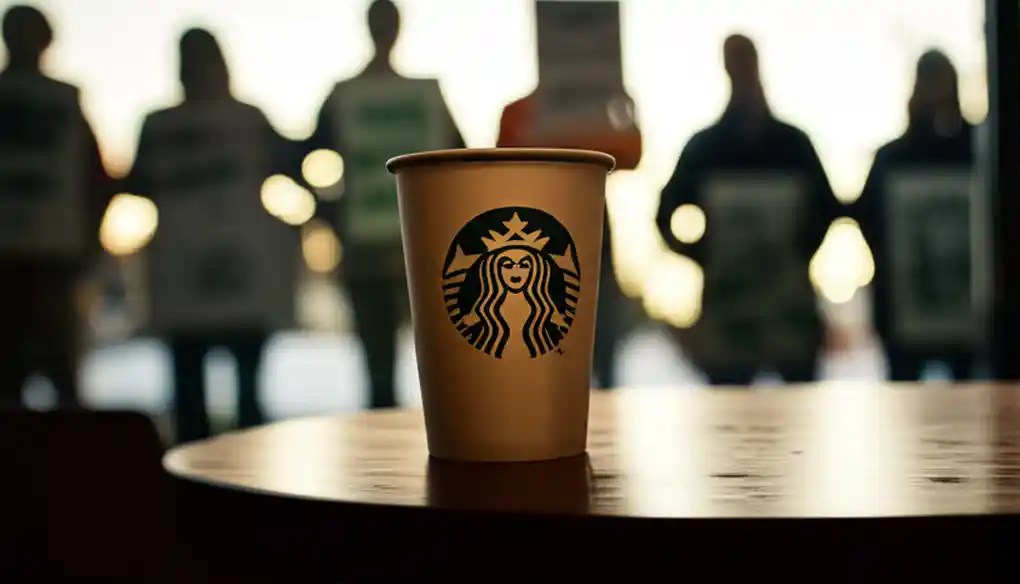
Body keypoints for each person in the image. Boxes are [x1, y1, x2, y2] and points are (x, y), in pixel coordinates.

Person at [127, 29, 299, 441]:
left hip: (221, 271)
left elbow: (134, 184)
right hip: (211, 272)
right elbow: (295, 166)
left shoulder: (165, 124)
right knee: (201, 403)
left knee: (234, 402)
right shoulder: (246, 119)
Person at [656, 34, 840, 385]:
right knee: (730, 419)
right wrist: (704, 255)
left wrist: (798, 253)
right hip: (730, 313)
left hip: (788, 312)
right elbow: (665, 214)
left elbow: (828, 209)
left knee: (798, 416)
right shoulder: (706, 147)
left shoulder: (791, 144)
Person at [307, 0, 465, 409]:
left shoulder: (351, 95)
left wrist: (326, 210)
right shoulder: (408, 96)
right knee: (421, 360)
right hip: (394, 246)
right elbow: (459, 156)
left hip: (387, 245)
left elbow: (301, 158)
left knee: (401, 363)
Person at [496, 72, 642, 389]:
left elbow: (631, 156)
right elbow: (504, 169)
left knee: (601, 350)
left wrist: (628, 110)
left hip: (591, 241)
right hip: (540, 244)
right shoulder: (521, 114)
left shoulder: (597, 112)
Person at [0, 5, 111, 407]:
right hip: (34, 259)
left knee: (59, 377)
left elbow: (96, 179)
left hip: (54, 258)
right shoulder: (64, 101)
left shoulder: (64, 100)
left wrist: (90, 242)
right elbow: (98, 180)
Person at [849, 50, 978, 381]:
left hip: (962, 313)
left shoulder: (975, 151)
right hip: (906, 310)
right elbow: (869, 221)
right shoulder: (893, 158)